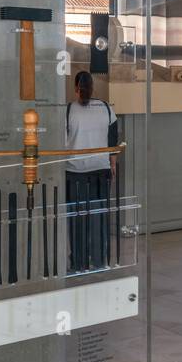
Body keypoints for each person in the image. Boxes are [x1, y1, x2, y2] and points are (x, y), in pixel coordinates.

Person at [66, 70, 117, 271]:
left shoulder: (69, 110)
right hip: (101, 170)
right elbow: (112, 141)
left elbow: (63, 142)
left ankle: (78, 262)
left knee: (77, 219)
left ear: (76, 88)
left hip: (74, 172)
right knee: (99, 217)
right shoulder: (105, 108)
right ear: (93, 87)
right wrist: (112, 164)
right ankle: (100, 260)